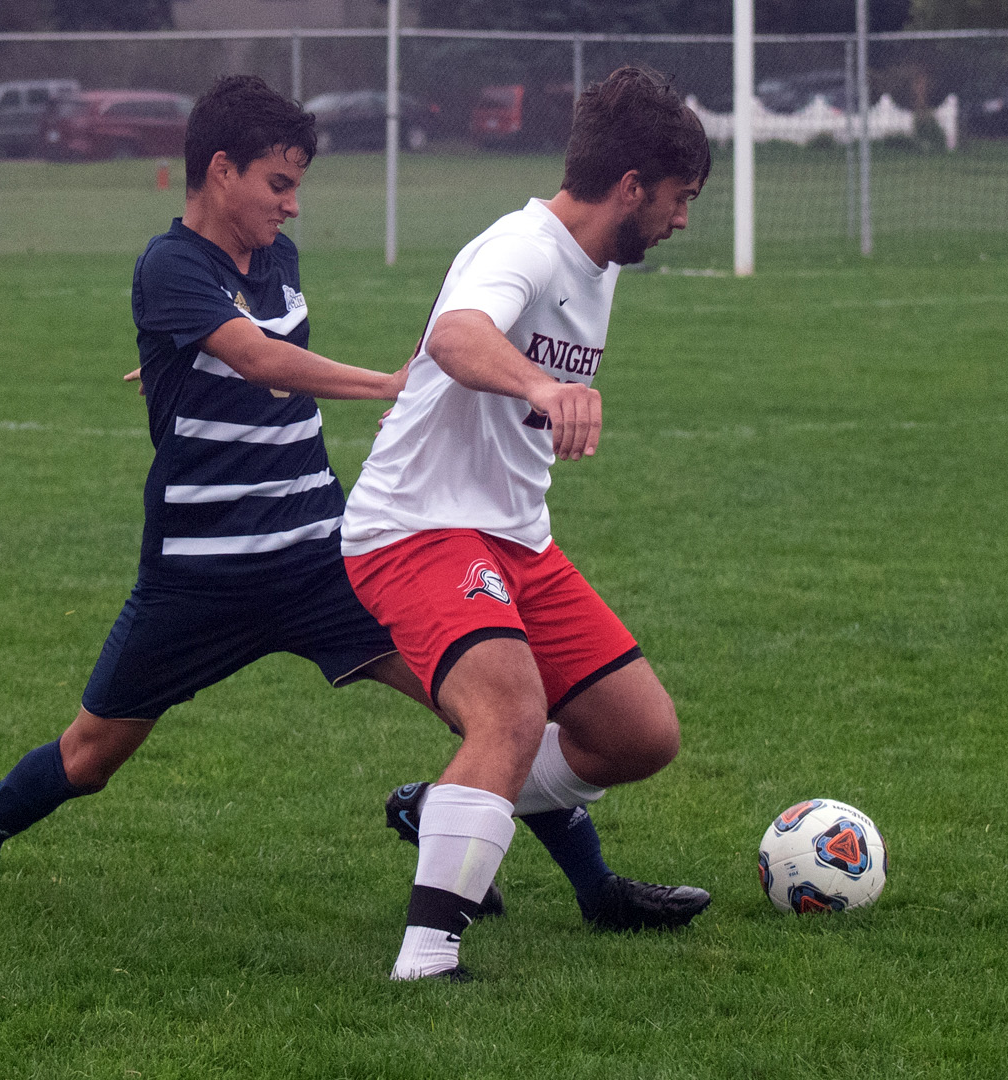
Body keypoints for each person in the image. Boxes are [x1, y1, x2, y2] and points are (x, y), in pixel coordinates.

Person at [0, 75, 430, 891]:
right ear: (221, 171)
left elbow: (249, 358)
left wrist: (176, 366)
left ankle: (560, 869)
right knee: (90, 755)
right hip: (198, 577)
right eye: (278, 185)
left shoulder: (277, 256)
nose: (292, 207)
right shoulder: (170, 263)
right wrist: (385, 384)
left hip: (319, 556)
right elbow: (257, 355)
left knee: (480, 698)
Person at [340, 66, 715, 981]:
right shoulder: (527, 244)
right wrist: (544, 385)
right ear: (631, 188)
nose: (681, 220)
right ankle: (427, 958)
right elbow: (458, 334)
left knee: (639, 736)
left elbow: (447, 339)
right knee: (510, 714)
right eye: (679, 198)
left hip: (515, 535)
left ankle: (444, 807)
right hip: (417, 527)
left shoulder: (594, 262)